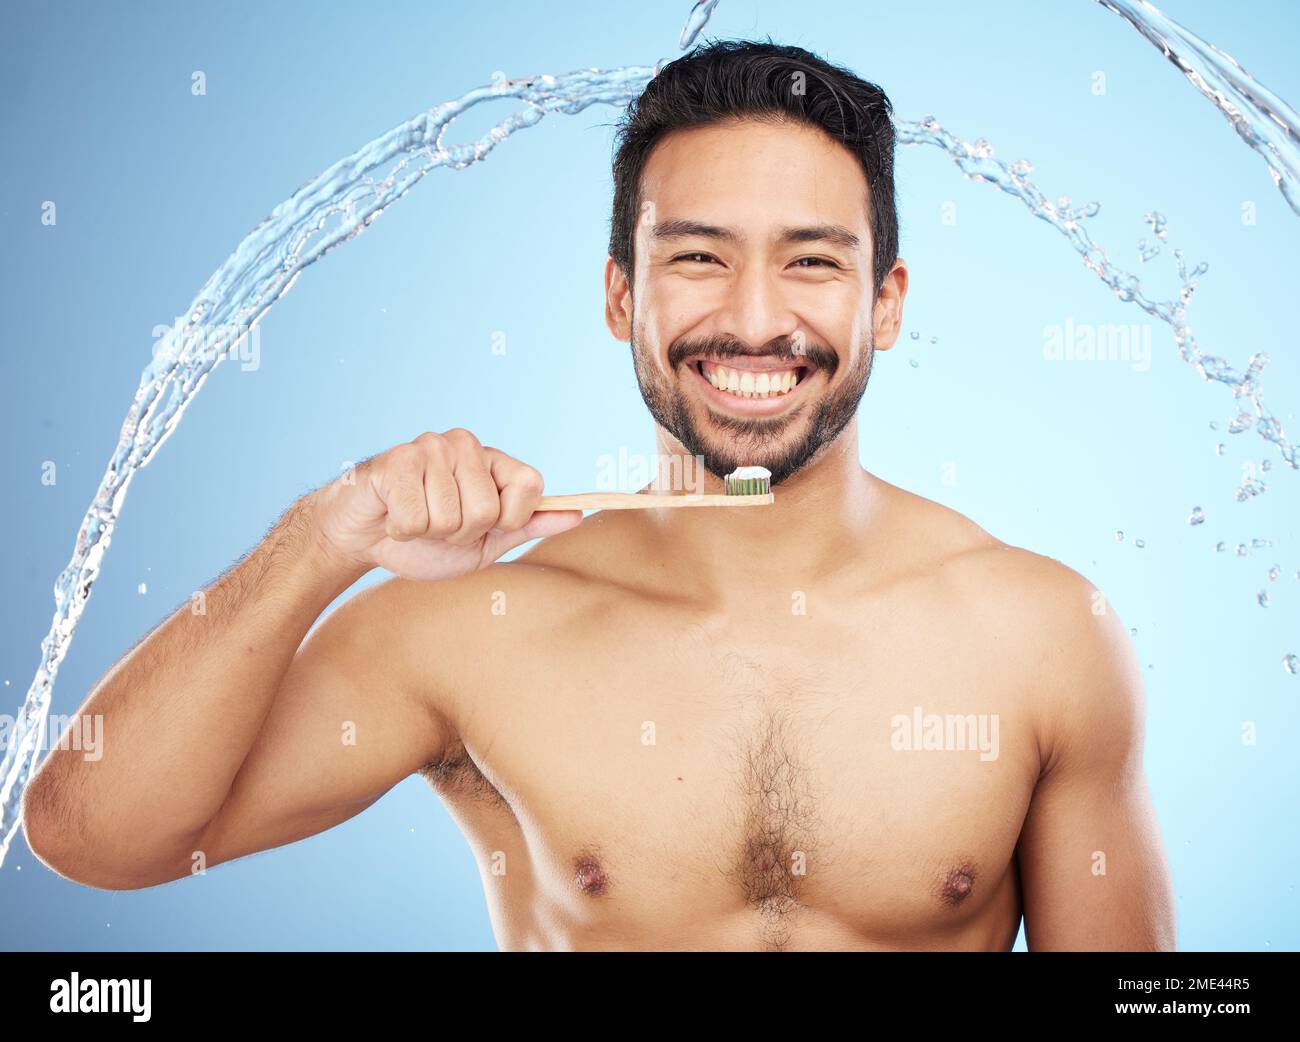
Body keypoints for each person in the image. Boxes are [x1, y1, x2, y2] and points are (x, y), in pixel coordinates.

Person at [23, 40, 1176, 951]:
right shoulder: (470, 629)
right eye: (698, 256)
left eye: (814, 259)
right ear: (621, 295)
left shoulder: (1040, 636)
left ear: (886, 302)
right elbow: (92, 837)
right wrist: (325, 537)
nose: (757, 317)